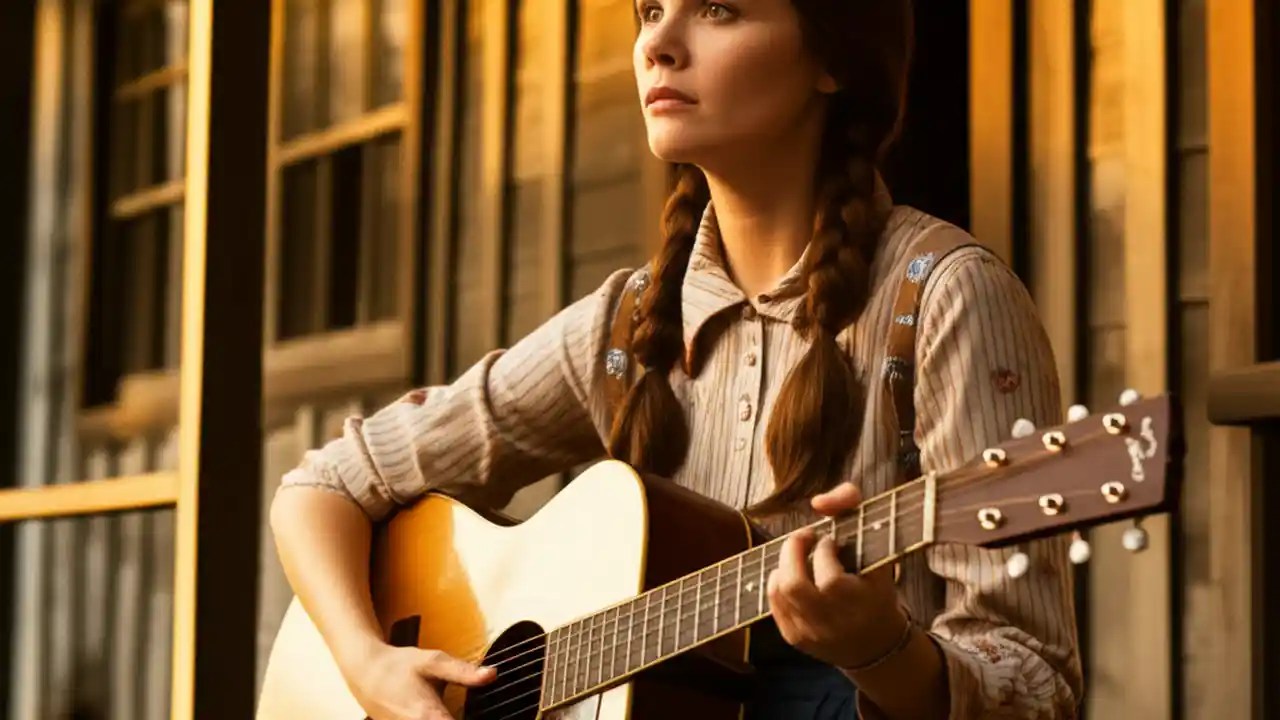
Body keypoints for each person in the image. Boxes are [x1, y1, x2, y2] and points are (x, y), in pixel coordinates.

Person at [269, 1, 1083, 718]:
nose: (660, 43)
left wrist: (882, 652)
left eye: (719, 9)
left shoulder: (943, 299)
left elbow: (1038, 688)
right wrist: (370, 665)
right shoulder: (629, 326)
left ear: (832, 59)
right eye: (649, 8)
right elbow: (323, 488)